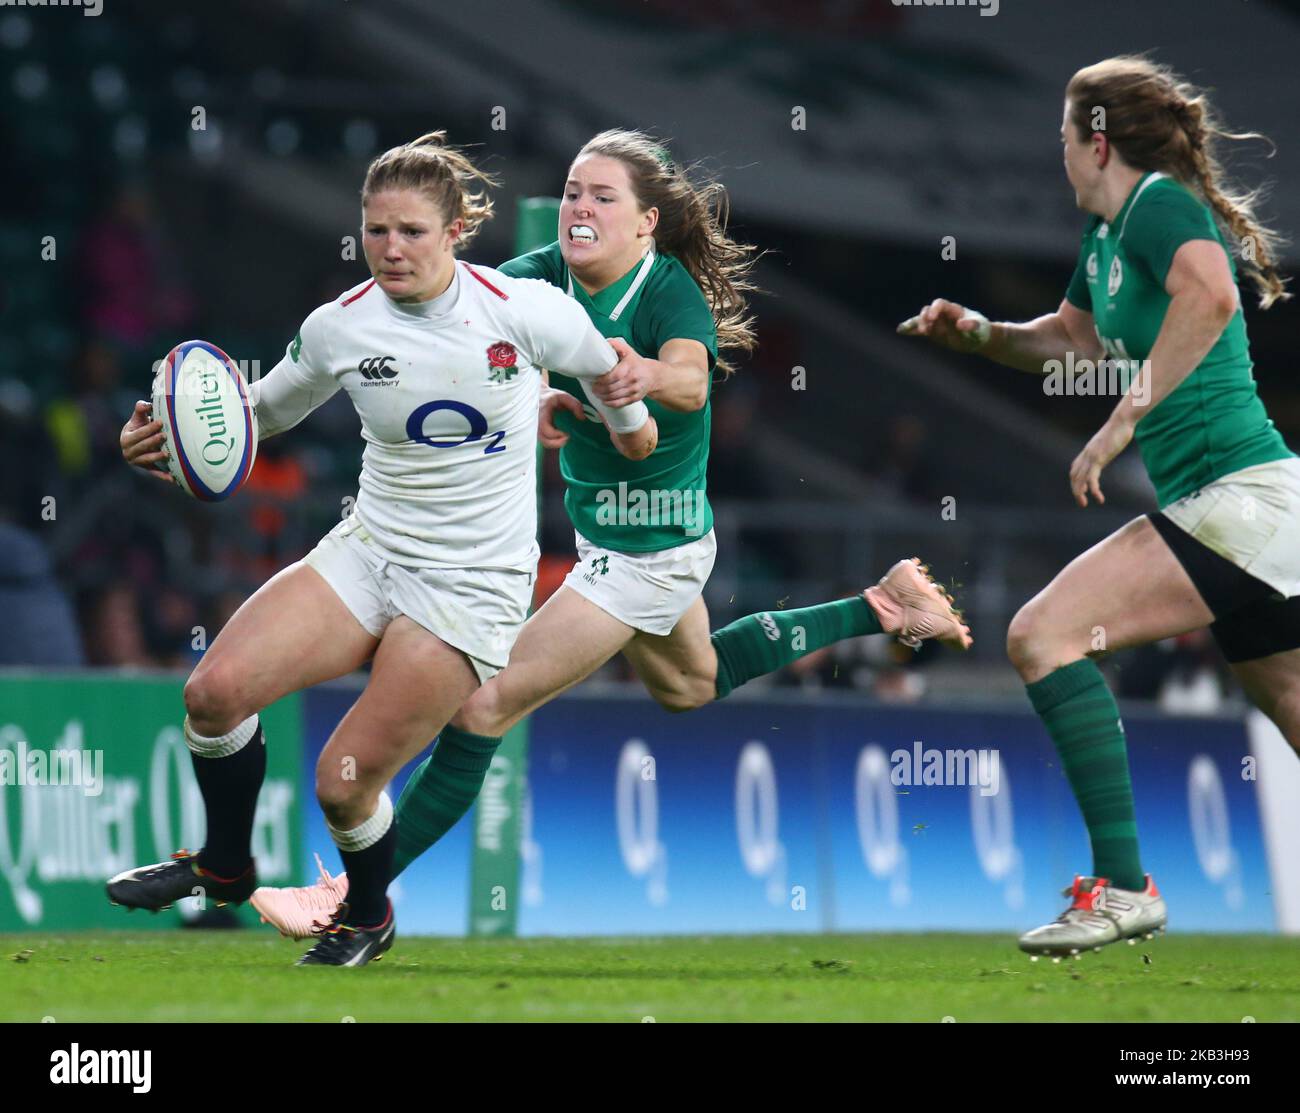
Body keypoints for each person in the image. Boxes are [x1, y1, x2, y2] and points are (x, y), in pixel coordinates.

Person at [251, 129, 972, 939]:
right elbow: (474, 338)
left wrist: (643, 376)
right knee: (689, 683)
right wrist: (543, 397)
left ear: (645, 224)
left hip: (651, 547)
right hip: (607, 538)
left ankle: (354, 901)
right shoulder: (533, 280)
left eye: (602, 196)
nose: (579, 208)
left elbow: (694, 382)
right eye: (570, 191)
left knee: (483, 706)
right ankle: (881, 605)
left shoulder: (664, 289)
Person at [107, 131, 656, 967]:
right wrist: (171, 439)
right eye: (376, 231)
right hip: (369, 549)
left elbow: (631, 422)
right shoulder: (339, 326)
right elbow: (256, 418)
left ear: (455, 232)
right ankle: (223, 865)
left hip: (471, 583)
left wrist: (626, 413)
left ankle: (367, 915)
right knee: (213, 694)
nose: (391, 249)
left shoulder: (526, 311)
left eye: (411, 232)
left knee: (343, 779)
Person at [900, 56, 1299, 958]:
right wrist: (981, 334)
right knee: (1288, 696)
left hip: (1237, 500)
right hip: (1259, 508)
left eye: (1065, 136)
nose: (1061, 155)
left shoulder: (1159, 203)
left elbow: (1213, 292)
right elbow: (1073, 338)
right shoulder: (1108, 238)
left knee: (1043, 634)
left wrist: (1122, 420)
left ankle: (1122, 885)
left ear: (1099, 139)